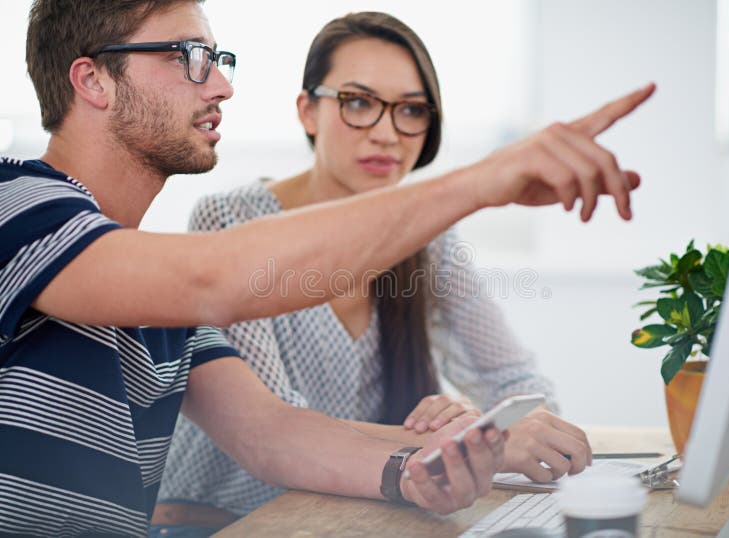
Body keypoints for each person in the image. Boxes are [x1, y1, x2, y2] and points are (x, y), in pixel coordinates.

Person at [0, 0, 653, 535]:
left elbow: (274, 434)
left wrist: (427, 464)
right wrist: (486, 179)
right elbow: (218, 279)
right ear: (92, 80)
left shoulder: (153, 293)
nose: (223, 85)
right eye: (189, 57)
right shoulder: (16, 203)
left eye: (218, 61)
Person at [157, 12, 601, 524]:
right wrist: (466, 440)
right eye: (359, 103)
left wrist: (476, 423)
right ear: (308, 111)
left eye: (411, 110)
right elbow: (280, 427)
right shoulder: (230, 221)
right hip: (218, 521)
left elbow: (517, 380)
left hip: (348, 519)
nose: (388, 134)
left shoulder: (427, 239)